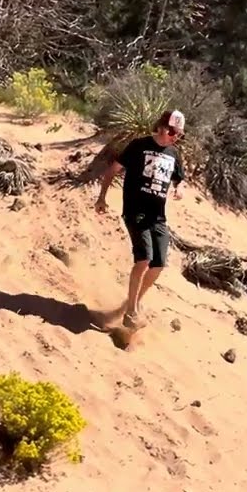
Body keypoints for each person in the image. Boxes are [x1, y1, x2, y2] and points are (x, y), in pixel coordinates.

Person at [94, 109, 187, 332]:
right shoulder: (139, 145)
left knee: (158, 264)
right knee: (144, 259)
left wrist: (180, 187)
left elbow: (179, 179)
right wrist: (102, 197)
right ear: (164, 127)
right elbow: (112, 171)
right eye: (174, 132)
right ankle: (131, 312)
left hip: (158, 216)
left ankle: (130, 303)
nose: (176, 137)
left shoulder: (174, 154)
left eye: (180, 135)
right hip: (136, 211)